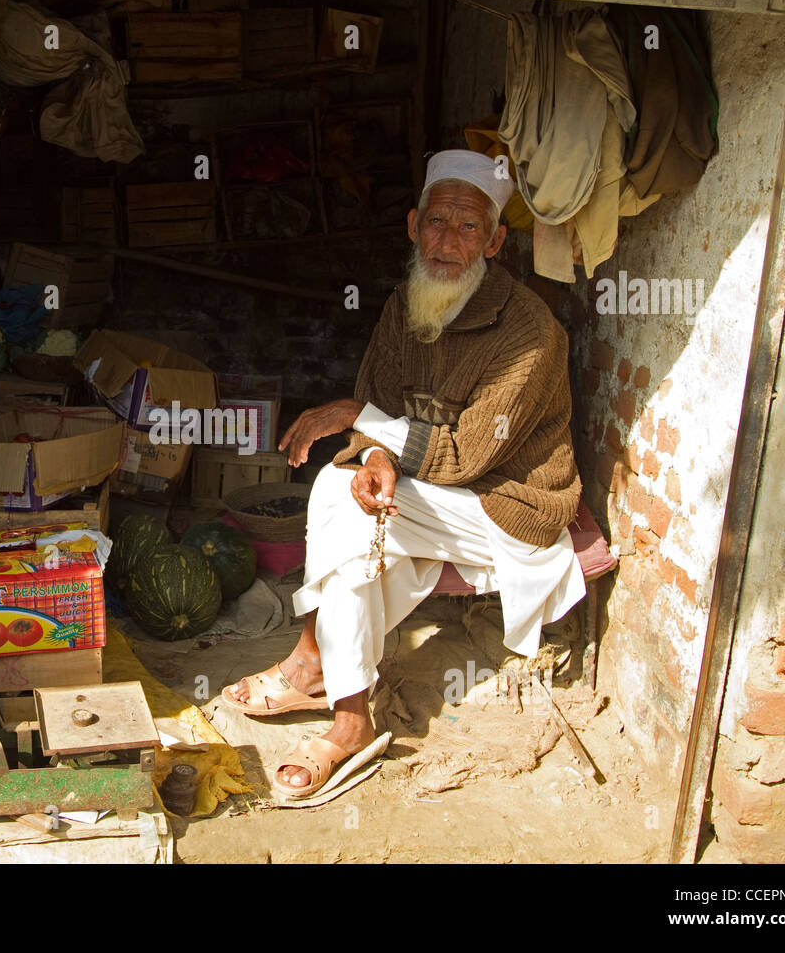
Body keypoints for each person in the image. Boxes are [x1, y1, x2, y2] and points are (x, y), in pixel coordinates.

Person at [222, 150, 586, 797]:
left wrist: (359, 423)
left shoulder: (529, 333)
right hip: (430, 496)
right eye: (438, 223)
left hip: (506, 508)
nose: (449, 242)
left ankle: (330, 689)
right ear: (414, 225)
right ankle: (337, 697)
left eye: (470, 228)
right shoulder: (405, 303)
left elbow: (463, 457)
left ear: (497, 241)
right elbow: (381, 410)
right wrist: (378, 458)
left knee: (336, 491)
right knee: (353, 502)